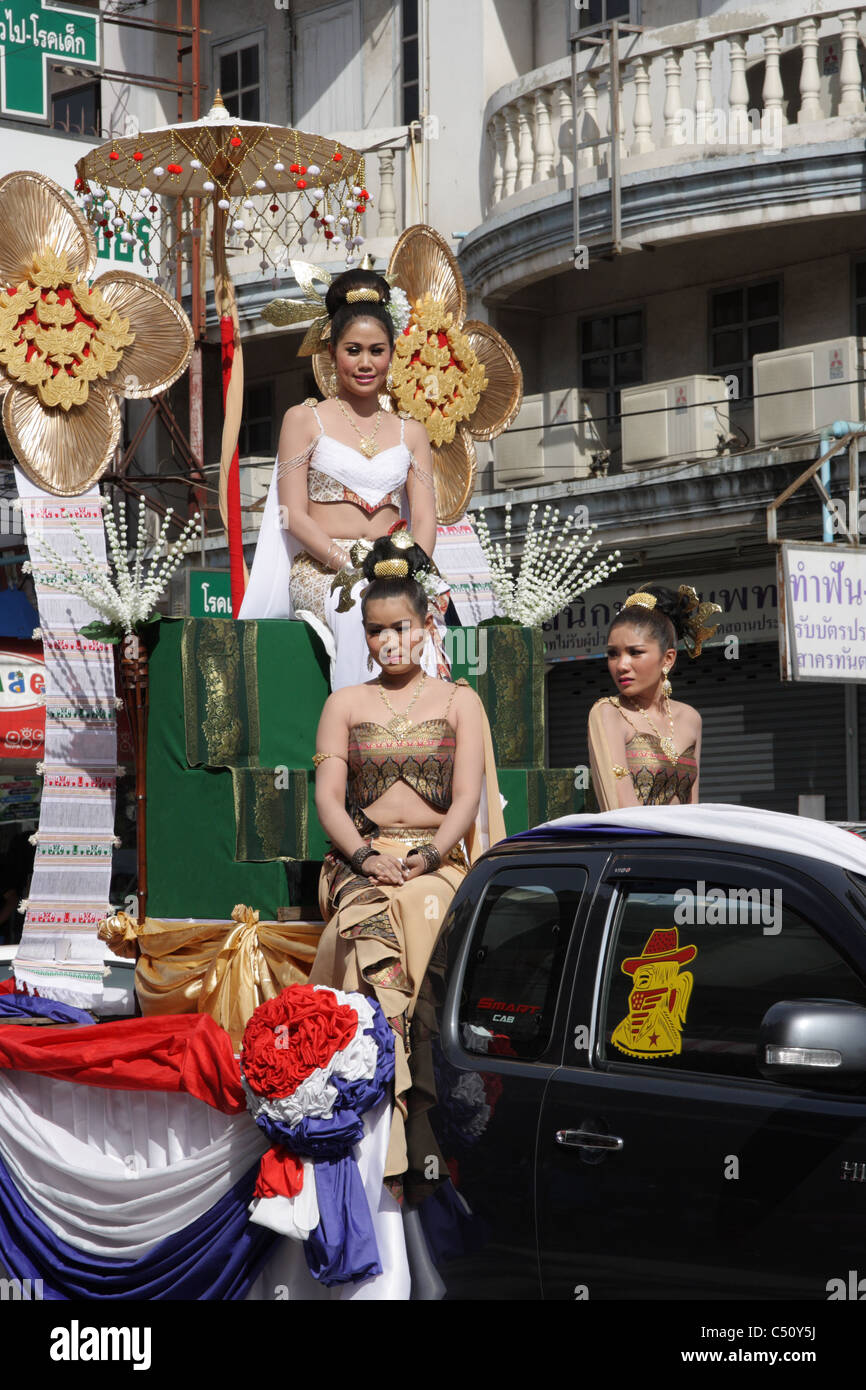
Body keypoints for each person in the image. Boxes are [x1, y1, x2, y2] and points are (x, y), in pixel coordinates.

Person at [307, 533, 505, 1187]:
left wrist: (425, 857)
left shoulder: (459, 702)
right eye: (374, 631)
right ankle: (374, 1085)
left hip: (435, 862)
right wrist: (364, 857)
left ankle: (419, 1094)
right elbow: (329, 802)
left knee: (421, 905)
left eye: (399, 628)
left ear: (426, 625)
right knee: (363, 920)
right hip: (358, 864)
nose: (387, 643)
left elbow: (468, 798)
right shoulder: (343, 704)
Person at [238, 267, 452, 690]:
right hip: (325, 571)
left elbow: (425, 520)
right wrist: (355, 571)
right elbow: (294, 516)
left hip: (396, 566)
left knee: (423, 620)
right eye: (353, 350)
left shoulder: (412, 432)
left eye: (377, 350)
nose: (365, 363)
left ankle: (420, 738)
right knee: (361, 610)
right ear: (332, 351)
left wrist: (408, 570)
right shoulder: (304, 420)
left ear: (392, 352)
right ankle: (358, 732)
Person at [587, 584, 721, 810]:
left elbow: (693, 807)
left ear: (668, 659)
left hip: (683, 842)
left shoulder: (690, 718)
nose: (621, 665)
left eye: (635, 652)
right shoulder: (608, 713)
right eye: (613, 654)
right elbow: (621, 809)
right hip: (633, 843)